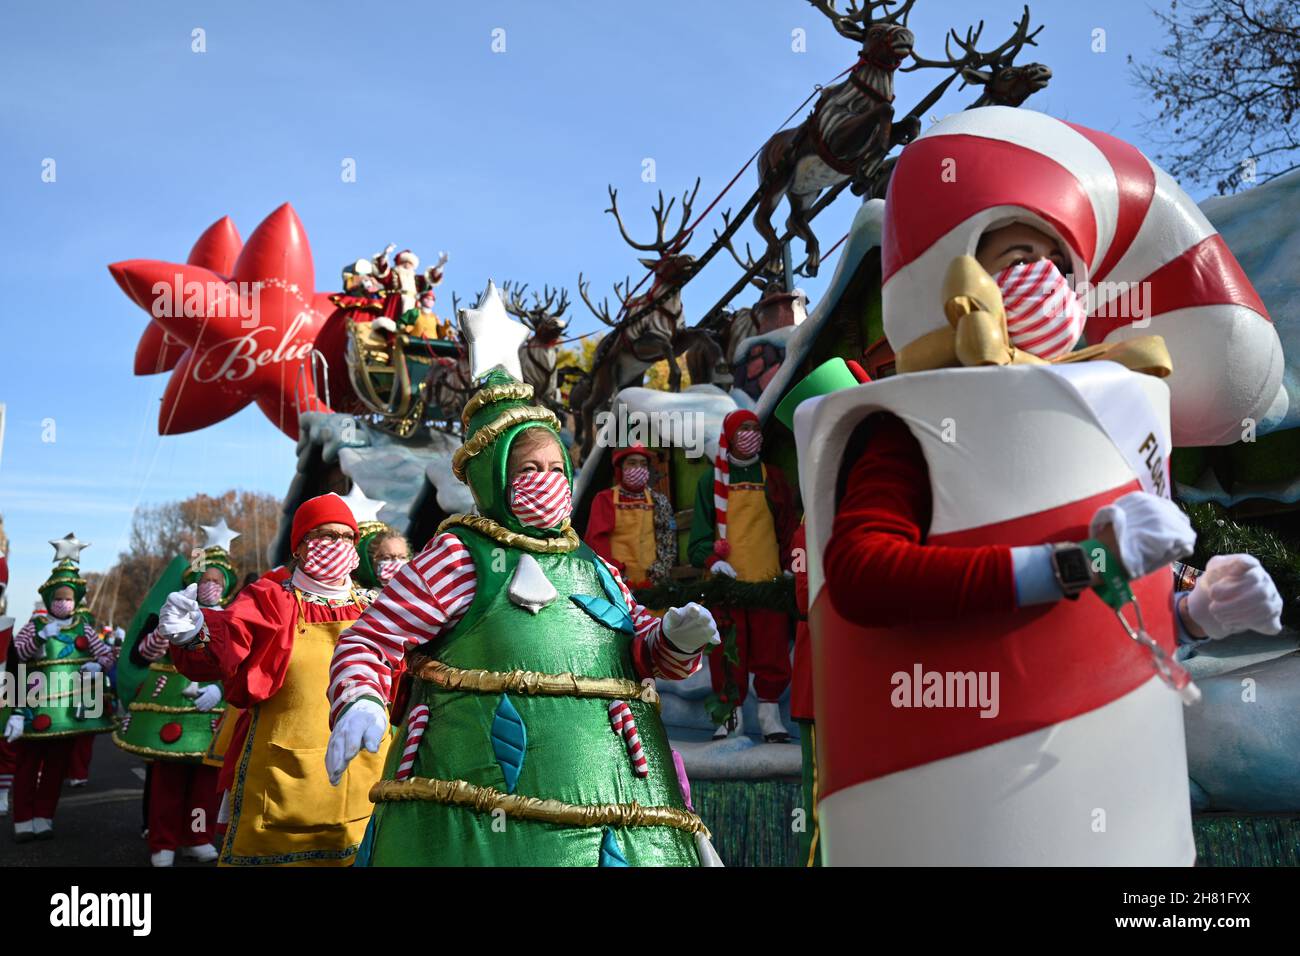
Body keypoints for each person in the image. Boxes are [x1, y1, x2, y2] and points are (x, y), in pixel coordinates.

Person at [792, 107, 1284, 865]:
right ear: (963, 277)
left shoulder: (1112, 420)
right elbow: (863, 573)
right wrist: (1069, 566)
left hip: (1113, 807)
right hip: (959, 814)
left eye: (1061, 265)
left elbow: (1104, 625)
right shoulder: (906, 423)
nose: (1043, 278)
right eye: (1017, 254)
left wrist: (1193, 611)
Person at [325, 371, 723, 866]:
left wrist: (673, 638)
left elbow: (634, 651)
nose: (549, 480)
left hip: (622, 795)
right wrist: (360, 698)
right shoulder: (458, 556)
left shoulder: (592, 565)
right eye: (531, 468)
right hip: (475, 810)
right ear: (497, 477)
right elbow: (371, 638)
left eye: (558, 468)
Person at [155, 494, 389, 866]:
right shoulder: (269, 598)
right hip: (282, 772)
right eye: (325, 535)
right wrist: (195, 633)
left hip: (364, 771)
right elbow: (226, 646)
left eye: (346, 537)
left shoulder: (374, 606)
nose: (338, 545)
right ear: (300, 546)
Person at [115, 530, 240, 866]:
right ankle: (163, 843)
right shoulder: (173, 609)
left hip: (212, 709)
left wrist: (221, 690)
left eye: (217, 580)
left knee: (205, 780)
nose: (211, 585)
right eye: (204, 579)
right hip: (168, 704)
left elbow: (241, 663)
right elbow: (143, 654)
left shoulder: (235, 616)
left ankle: (197, 836)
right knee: (167, 782)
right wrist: (165, 629)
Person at [688, 410, 798, 741]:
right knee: (727, 652)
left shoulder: (773, 476)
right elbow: (698, 538)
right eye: (743, 429)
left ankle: (769, 716)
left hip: (766, 583)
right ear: (730, 436)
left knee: (773, 651)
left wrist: (790, 564)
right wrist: (712, 561)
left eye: (755, 428)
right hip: (727, 586)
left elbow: (786, 528)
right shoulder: (711, 481)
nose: (751, 434)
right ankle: (730, 717)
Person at [4, 542, 116, 842]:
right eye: (58, 598)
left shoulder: (85, 627)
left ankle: (44, 817)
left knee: (56, 767)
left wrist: (98, 667)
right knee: (28, 765)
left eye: (68, 599)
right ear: (49, 599)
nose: (63, 603)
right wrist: (41, 636)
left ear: (76, 601)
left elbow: (106, 655)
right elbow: (20, 655)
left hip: (68, 712)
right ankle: (23, 819)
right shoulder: (35, 624)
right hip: (34, 707)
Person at [586, 444, 675, 589]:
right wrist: (614, 573)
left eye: (643, 464)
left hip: (653, 584)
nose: (638, 468)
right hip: (616, 583)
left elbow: (667, 540)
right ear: (621, 468)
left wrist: (659, 573)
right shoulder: (605, 499)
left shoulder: (659, 501)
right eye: (632, 463)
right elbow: (596, 541)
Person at [352, 522, 410, 594]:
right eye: (387, 558)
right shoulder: (360, 599)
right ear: (368, 562)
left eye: (402, 557)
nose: (397, 563)